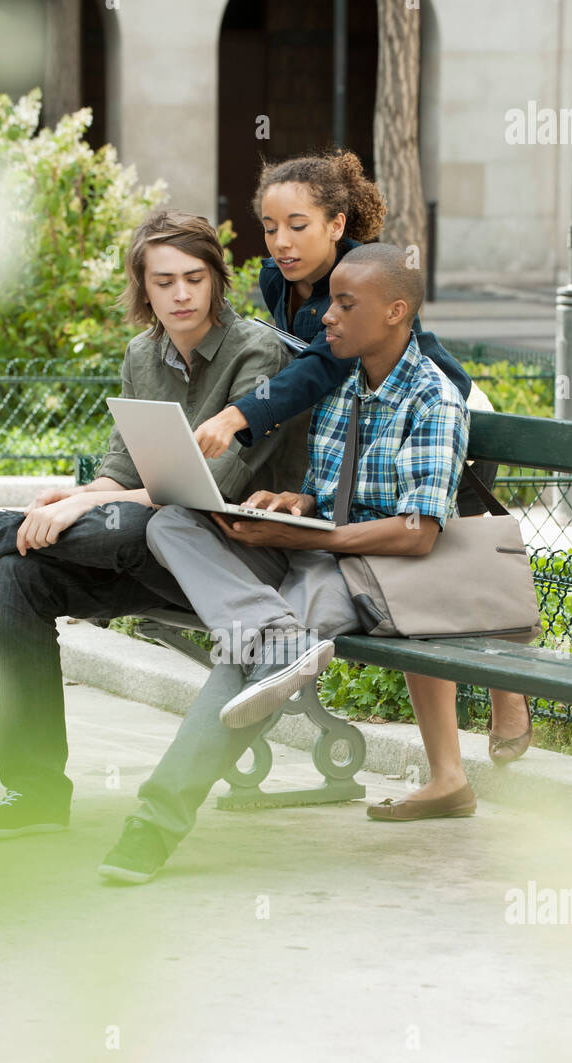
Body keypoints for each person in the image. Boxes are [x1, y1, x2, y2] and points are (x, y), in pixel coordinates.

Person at [0, 209, 308, 842]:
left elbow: (208, 489)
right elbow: (122, 471)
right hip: (156, 557)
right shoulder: (143, 355)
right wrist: (80, 497)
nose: (182, 294)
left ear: (217, 279)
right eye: (164, 281)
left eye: (195, 278)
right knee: (22, 576)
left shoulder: (257, 353)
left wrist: (83, 508)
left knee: (141, 526)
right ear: (144, 288)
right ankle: (33, 792)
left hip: (231, 566)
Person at [107, 243, 473, 885]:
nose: (326, 316)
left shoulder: (432, 400)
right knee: (172, 521)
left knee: (248, 651)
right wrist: (290, 506)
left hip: (372, 571)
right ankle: (271, 632)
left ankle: (155, 823)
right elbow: (325, 493)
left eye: (345, 304)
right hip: (311, 549)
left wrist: (308, 539)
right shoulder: (346, 386)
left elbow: (418, 534)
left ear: (395, 312)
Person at [192, 151, 531, 763]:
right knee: (417, 586)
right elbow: (311, 366)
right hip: (372, 417)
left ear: (337, 226)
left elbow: (318, 369)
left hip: (441, 418)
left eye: (298, 226)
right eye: (269, 227)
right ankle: (447, 773)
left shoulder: (364, 283)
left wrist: (238, 415)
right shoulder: (278, 280)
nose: (281, 242)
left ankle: (508, 692)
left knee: (463, 579)